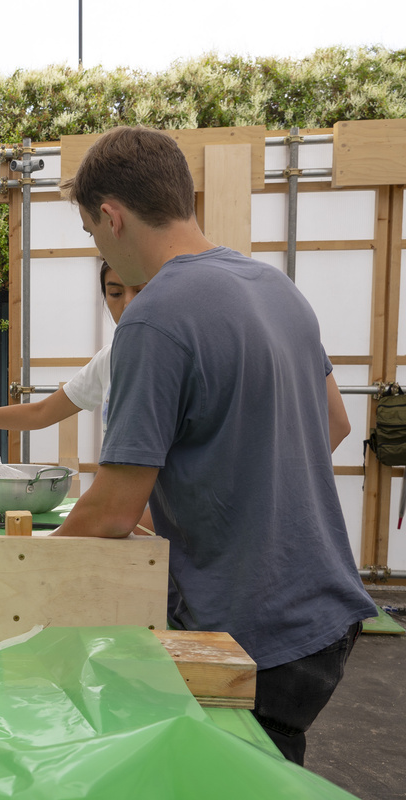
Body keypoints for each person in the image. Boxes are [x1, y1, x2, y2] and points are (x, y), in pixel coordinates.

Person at [53, 125, 374, 765]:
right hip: (327, 615)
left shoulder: (153, 317)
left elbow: (114, 511)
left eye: (91, 233)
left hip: (251, 635)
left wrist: (29, 568)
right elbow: (335, 423)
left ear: (112, 217)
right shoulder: (277, 288)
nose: (101, 250)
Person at [0, 262, 143, 439]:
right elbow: (40, 413)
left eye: (141, 291)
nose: (128, 303)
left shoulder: (163, 356)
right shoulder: (108, 359)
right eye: (115, 293)